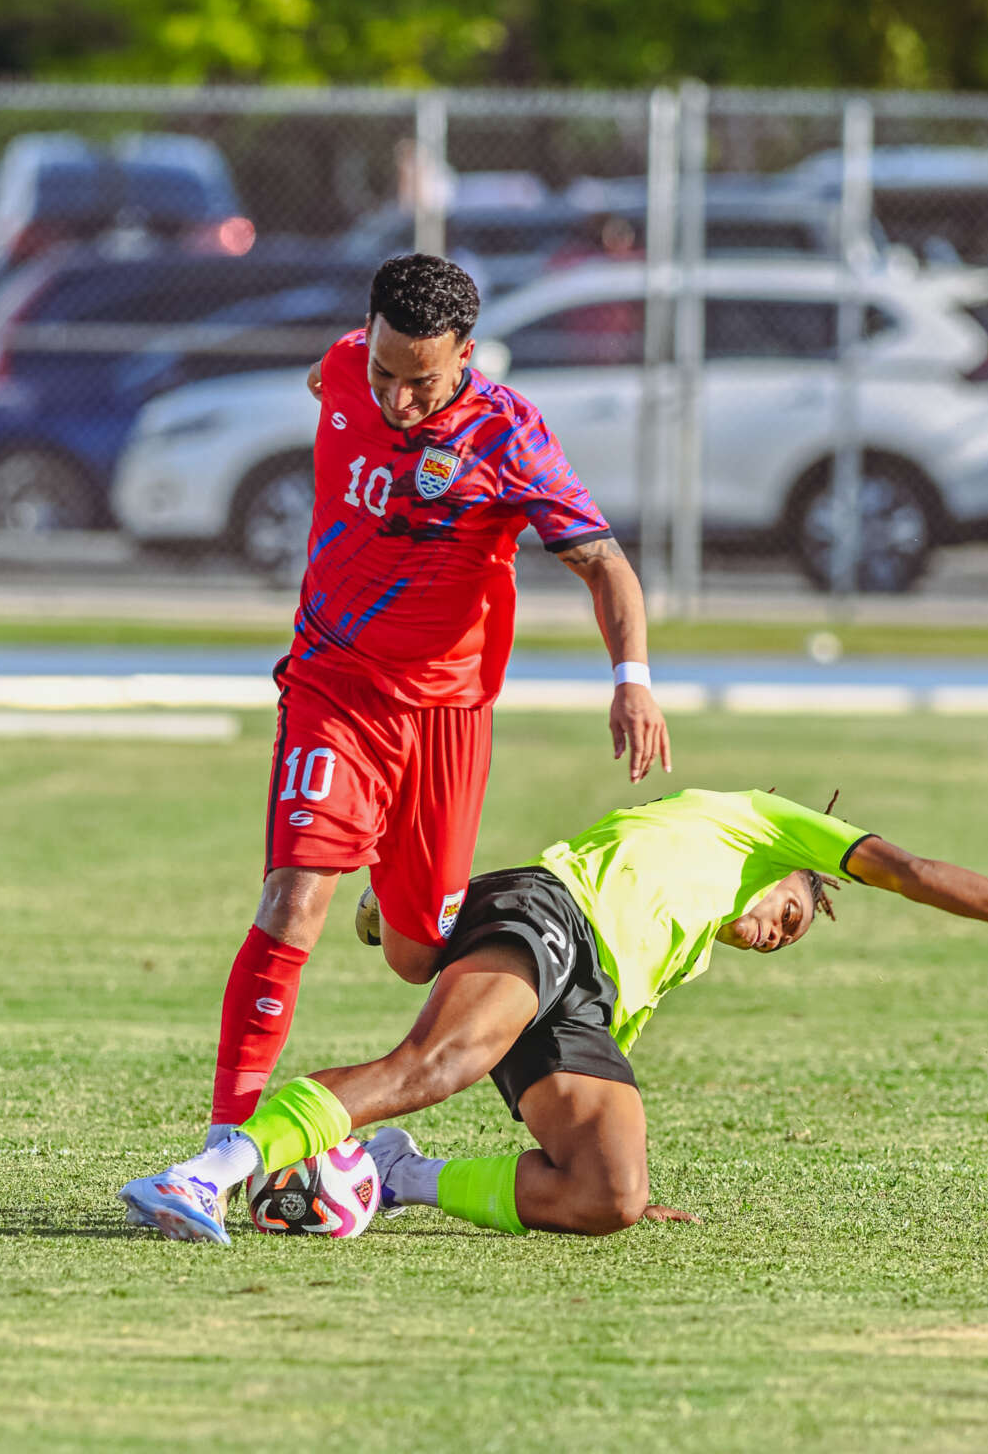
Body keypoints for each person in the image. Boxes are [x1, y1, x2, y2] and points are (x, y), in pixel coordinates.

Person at [120, 787, 988, 1245]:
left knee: (610, 1194)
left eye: (790, 936)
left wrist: (621, 1169)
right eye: (793, 910)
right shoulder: (755, 820)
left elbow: (595, 1096)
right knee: (436, 1059)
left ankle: (399, 1175)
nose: (779, 929)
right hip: (549, 913)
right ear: (792, 867)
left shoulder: (674, 956)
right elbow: (916, 869)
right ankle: (207, 1172)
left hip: (592, 987)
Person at [204, 252, 671, 1166]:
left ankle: (392, 892)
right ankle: (231, 1140)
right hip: (333, 685)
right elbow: (326, 374)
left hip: (448, 714)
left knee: (418, 952)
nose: (396, 399)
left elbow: (603, 562)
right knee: (293, 902)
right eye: (383, 372)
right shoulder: (346, 365)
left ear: (465, 353)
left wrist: (632, 679)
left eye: (420, 381)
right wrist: (350, 377)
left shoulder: (511, 437)